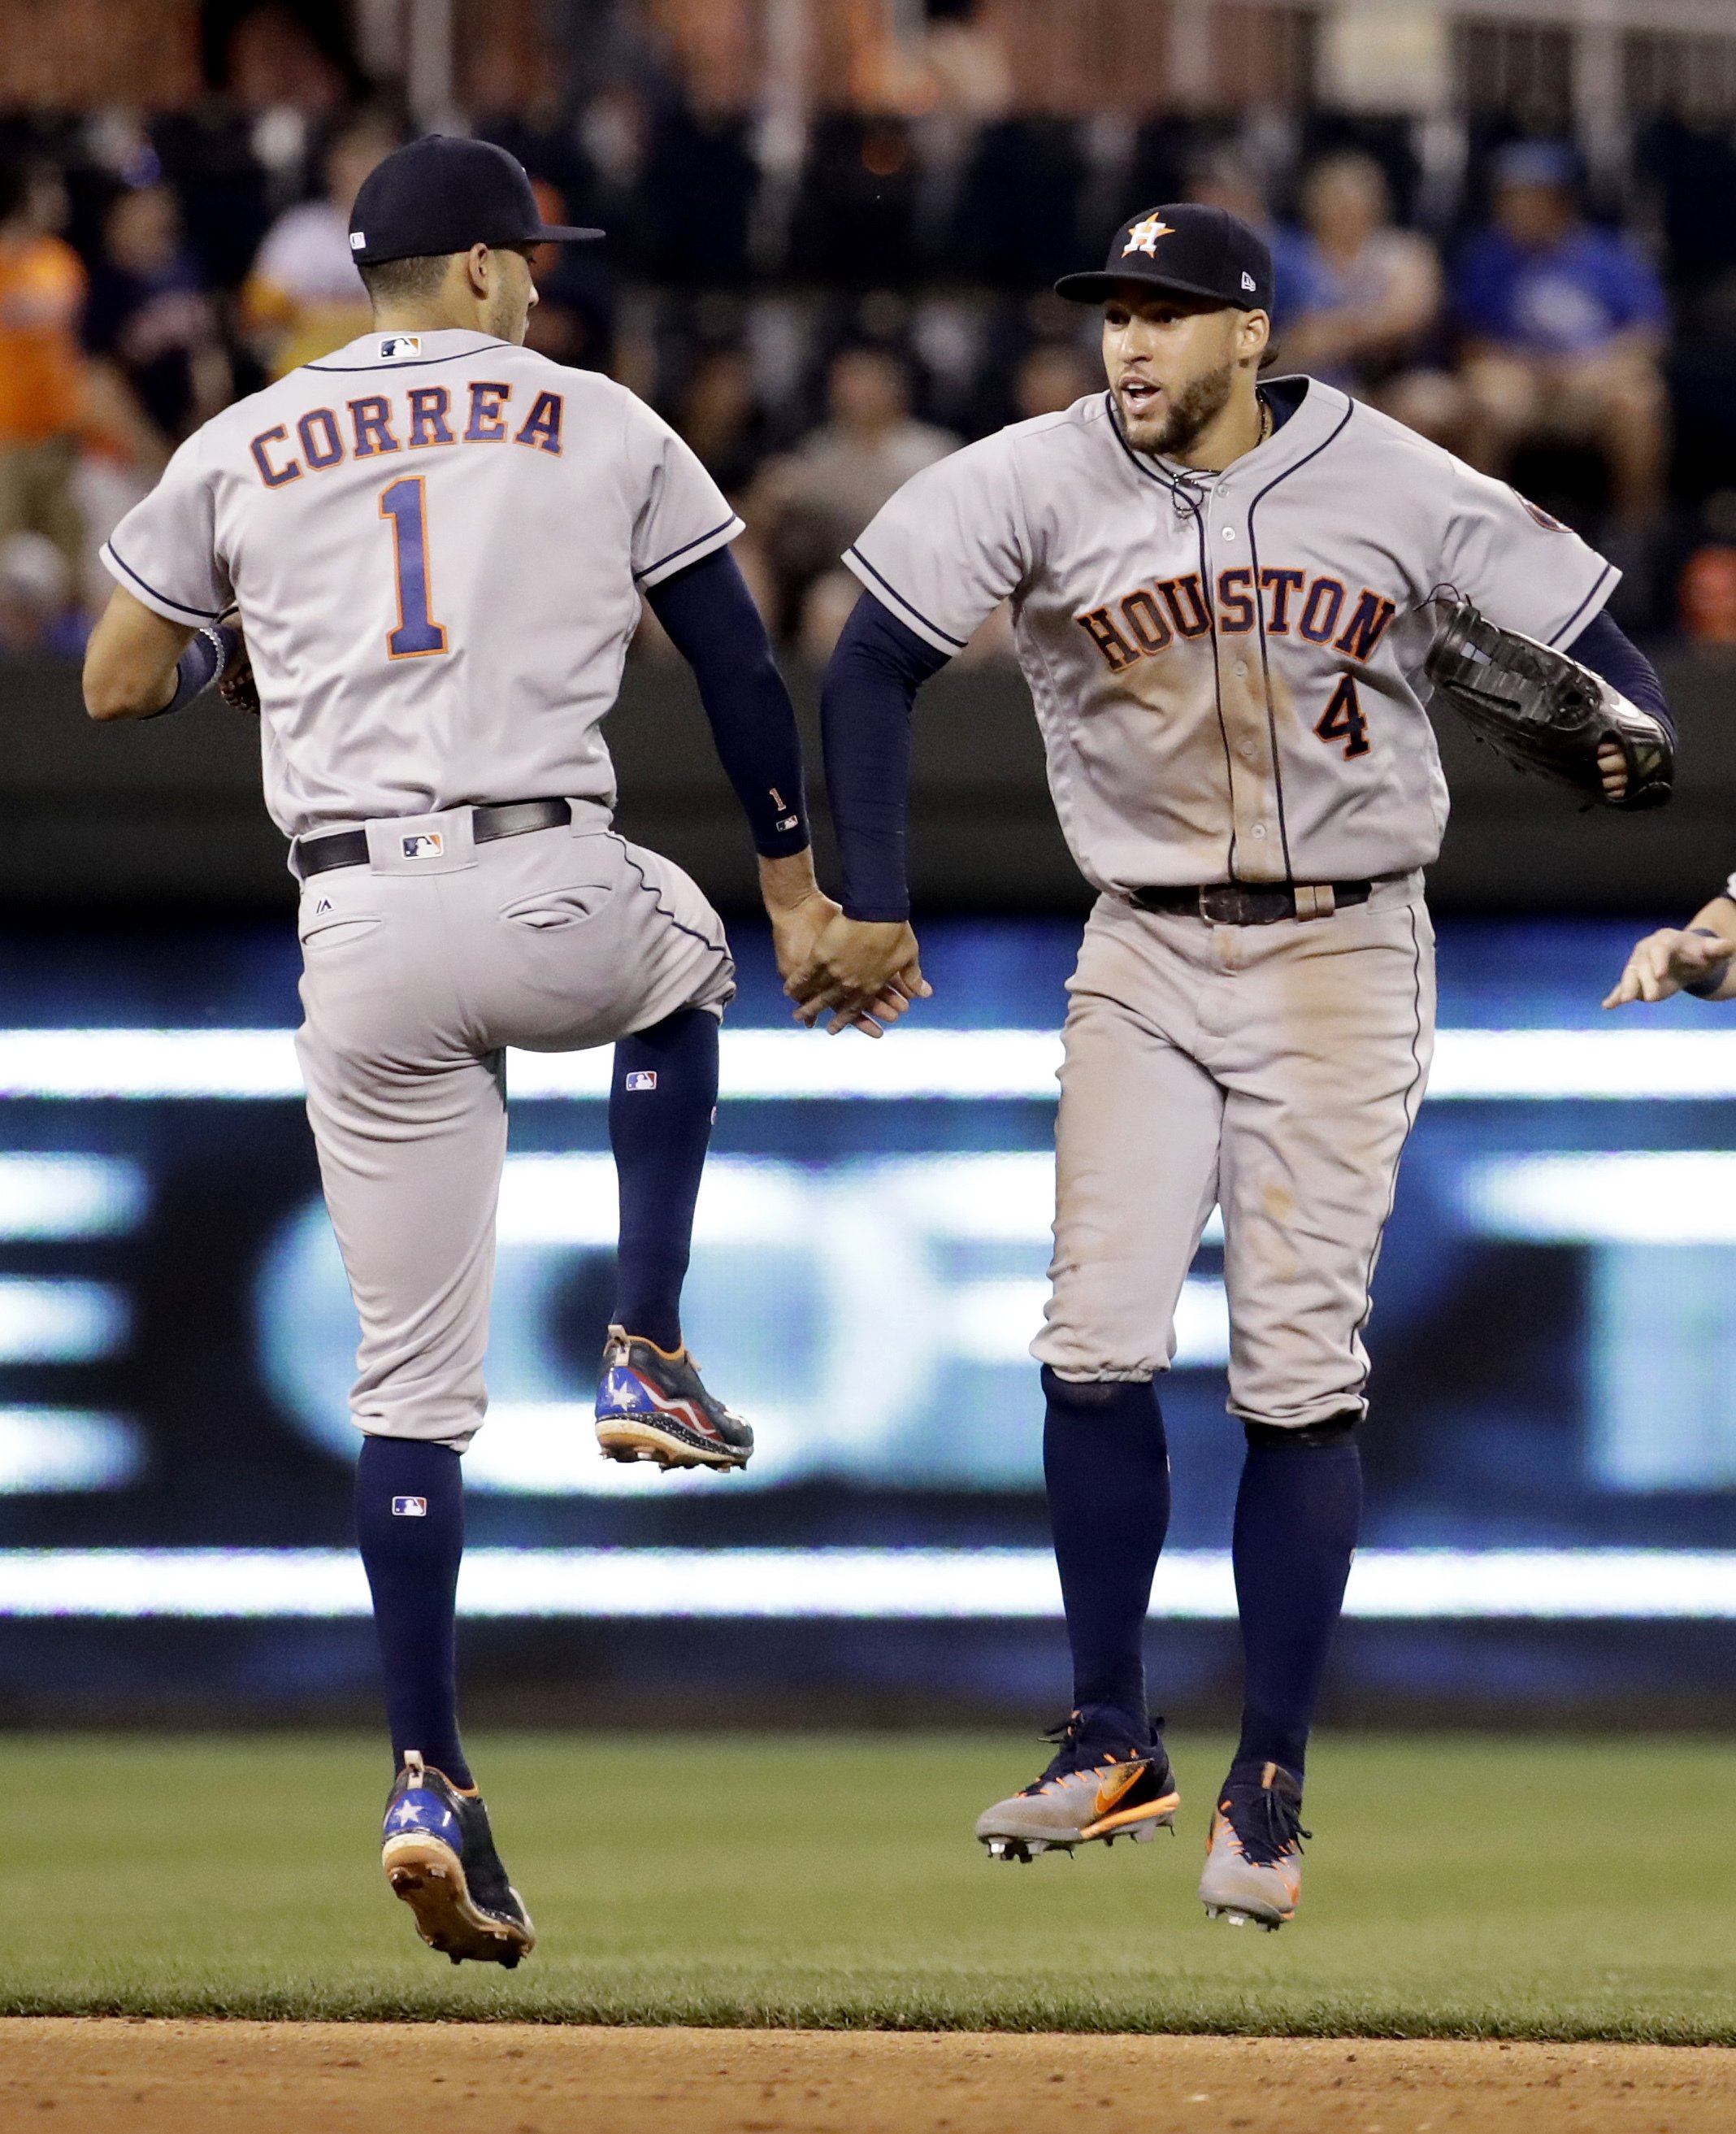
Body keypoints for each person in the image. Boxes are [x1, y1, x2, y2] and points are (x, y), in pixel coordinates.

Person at [81, 135, 914, 1971]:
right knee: (684, 954)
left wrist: (260, 658)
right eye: (522, 255)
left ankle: (423, 1774)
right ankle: (647, 1344)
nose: (539, 278)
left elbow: (116, 680)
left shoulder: (241, 437)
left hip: (356, 929)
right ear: (467, 269)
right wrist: (798, 891)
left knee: (409, 1391)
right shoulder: (594, 416)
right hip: (541, 870)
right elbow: (739, 665)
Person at [790, 201, 1670, 1930]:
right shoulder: (1030, 479)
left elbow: (1621, 683)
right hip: (1143, 940)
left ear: (1253, 334)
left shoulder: (1401, 479)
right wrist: (871, 899)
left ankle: (1268, 1780)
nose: (1131, 343)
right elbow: (874, 658)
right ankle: (1111, 1734)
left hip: (1346, 945)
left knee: (1292, 1366)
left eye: (1169, 315)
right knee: (1092, 1334)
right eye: (1114, 313)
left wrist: (1618, 748)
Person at [1452, 141, 1670, 531]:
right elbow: (1470, 341)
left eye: (1527, 196)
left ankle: (1639, 537)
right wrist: (1531, 369)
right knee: (1487, 396)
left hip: (1591, 382)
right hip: (1522, 382)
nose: (1514, 208)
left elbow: (1648, 337)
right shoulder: (1488, 257)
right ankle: (1479, 534)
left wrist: (1590, 369)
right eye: (1508, 197)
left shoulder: (1609, 254)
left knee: (1639, 400)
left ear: (1560, 201)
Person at [1281, 151, 1458, 444]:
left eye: (1355, 197)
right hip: (1311, 382)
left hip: (1394, 377)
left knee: (1430, 405)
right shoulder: (1291, 256)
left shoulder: (1402, 252)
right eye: (1334, 198)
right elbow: (1287, 337)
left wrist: (1332, 333)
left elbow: (1408, 317)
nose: (1345, 208)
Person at [241, 112, 397, 377]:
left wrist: (318, 315)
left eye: (375, 155)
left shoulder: (411, 234)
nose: (366, 167)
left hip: (386, 379)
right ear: (333, 164)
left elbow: (427, 327)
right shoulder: (301, 231)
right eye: (355, 156)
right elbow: (255, 320)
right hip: (309, 383)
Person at [0, 157, 88, 588]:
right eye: (47, 190)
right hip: (5, 438)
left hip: (56, 434)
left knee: (67, 555)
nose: (59, 200)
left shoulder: (60, 261)